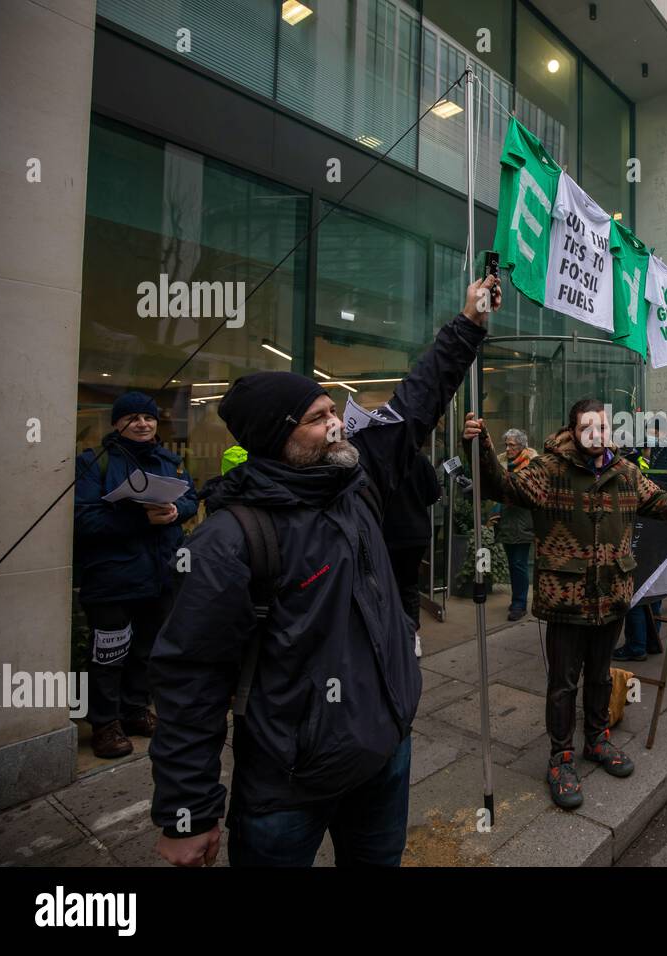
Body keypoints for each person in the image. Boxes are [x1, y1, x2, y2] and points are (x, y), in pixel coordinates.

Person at [149, 276, 498, 868]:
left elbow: (417, 401)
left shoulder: (356, 482)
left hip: (386, 755)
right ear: (278, 437)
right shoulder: (229, 540)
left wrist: (468, 323)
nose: (337, 424)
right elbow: (191, 678)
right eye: (317, 418)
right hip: (288, 789)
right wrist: (188, 811)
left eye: (334, 410)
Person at [463, 399, 667, 811]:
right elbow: (502, 488)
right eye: (587, 427)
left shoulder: (627, 473)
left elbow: (659, 504)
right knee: (563, 684)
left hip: (613, 594)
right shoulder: (549, 469)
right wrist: (480, 450)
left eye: (602, 427)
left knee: (600, 678)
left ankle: (597, 740)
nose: (597, 435)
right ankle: (560, 759)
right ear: (573, 429)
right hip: (567, 600)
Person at [74, 392, 199, 759]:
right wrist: (139, 517)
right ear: (116, 423)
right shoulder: (94, 464)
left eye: (148, 418)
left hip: (160, 577)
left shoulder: (170, 462)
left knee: (146, 651)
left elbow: (191, 497)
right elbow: (84, 519)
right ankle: (104, 723)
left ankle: (133, 711)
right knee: (108, 655)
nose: (142, 424)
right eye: (132, 418)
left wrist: (177, 509)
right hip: (112, 580)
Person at [383, 447, 442, 642]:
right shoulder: (419, 459)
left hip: (388, 532)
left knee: (389, 585)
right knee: (409, 585)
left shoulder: (380, 457)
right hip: (416, 532)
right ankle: (412, 635)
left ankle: (393, 632)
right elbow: (434, 494)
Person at [496, 429, 537, 622]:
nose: (508, 448)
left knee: (519, 563)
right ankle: (516, 599)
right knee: (513, 563)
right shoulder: (502, 462)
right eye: (507, 444)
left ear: (522, 446)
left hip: (524, 519)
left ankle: (520, 603)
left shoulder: (532, 463)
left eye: (512, 445)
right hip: (505, 519)